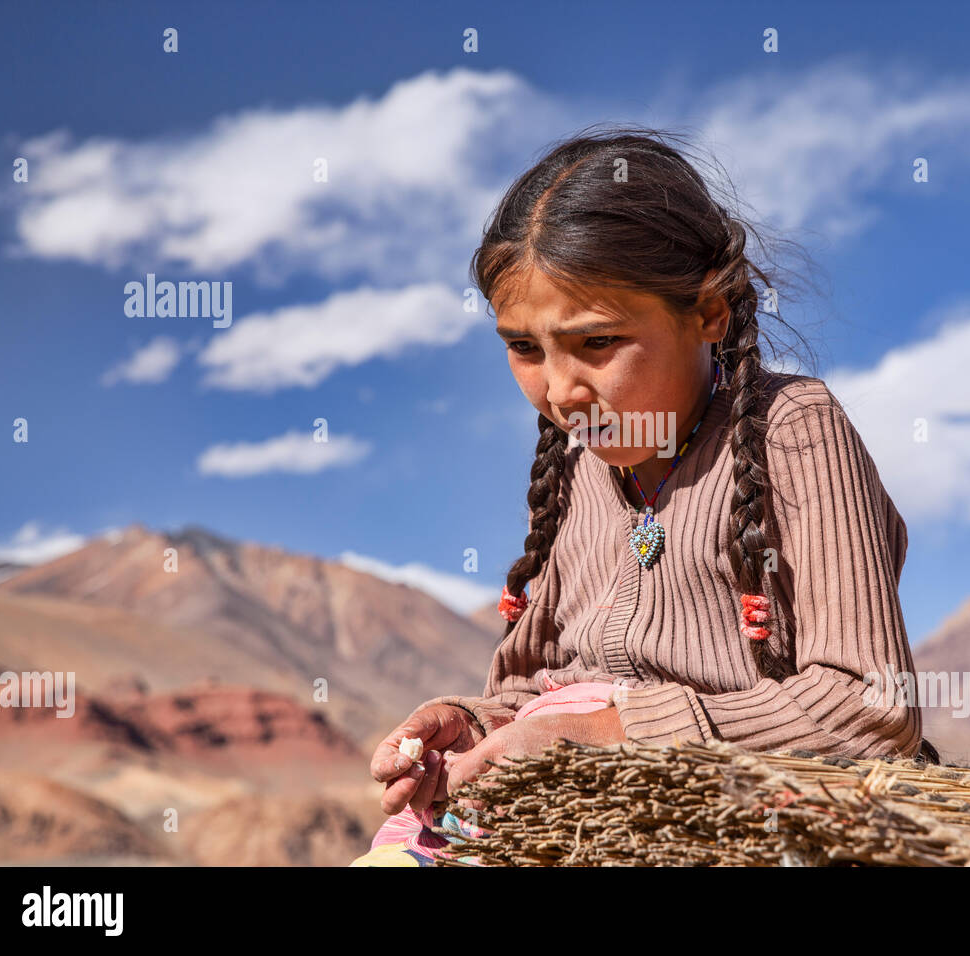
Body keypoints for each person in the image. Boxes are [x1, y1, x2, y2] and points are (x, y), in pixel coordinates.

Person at [353, 125, 933, 867]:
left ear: (710, 310)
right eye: (524, 349)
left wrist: (611, 732)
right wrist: (474, 725)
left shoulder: (795, 432)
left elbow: (871, 708)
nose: (561, 391)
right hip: (580, 823)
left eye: (598, 343)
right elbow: (540, 687)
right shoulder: (577, 466)